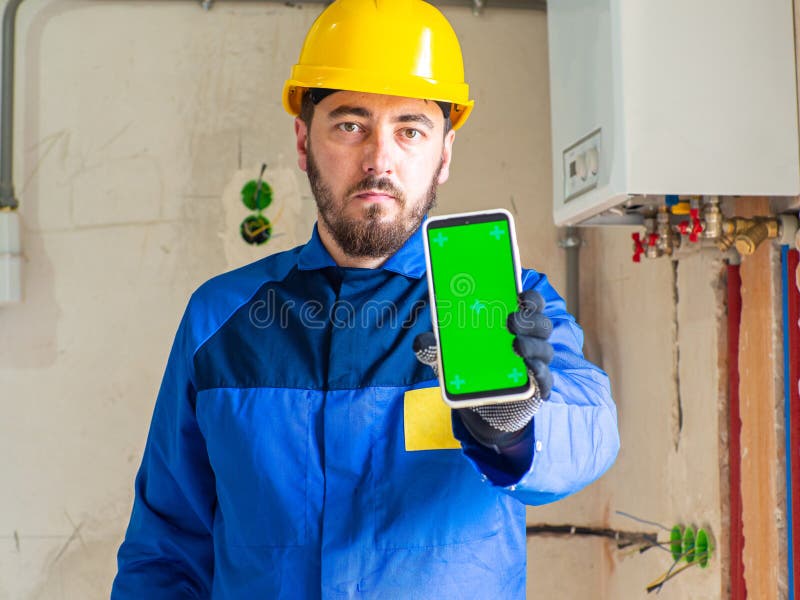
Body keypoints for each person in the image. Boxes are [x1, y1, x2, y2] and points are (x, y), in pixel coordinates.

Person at [111, 0, 620, 597]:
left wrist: (511, 426)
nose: (380, 159)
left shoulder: (510, 307)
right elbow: (167, 548)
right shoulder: (219, 319)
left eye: (410, 129)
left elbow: (593, 432)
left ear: (444, 153)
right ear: (303, 141)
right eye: (351, 125)